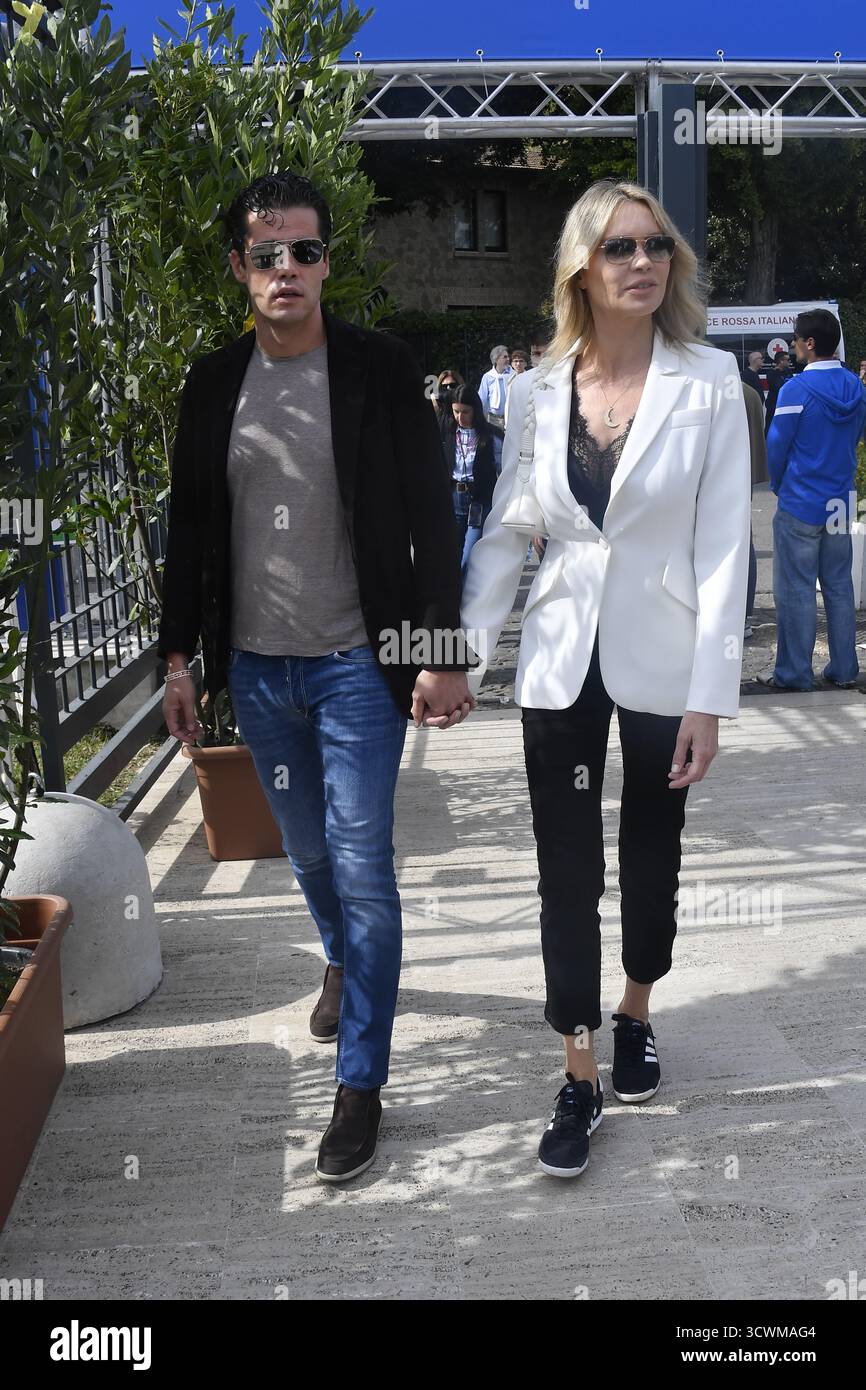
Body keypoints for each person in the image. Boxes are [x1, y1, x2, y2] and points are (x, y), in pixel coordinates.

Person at [157, 170, 474, 1185]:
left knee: (363, 859)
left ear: (327, 261)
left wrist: (436, 652)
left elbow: (433, 516)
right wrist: (178, 658)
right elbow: (191, 529)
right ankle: (337, 955)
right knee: (305, 854)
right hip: (256, 670)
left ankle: (359, 1081)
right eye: (264, 254)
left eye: (302, 251)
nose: (284, 269)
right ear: (238, 269)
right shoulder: (213, 384)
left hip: (355, 664)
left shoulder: (380, 369)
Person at [460, 178, 751, 1180]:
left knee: (650, 850)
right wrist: (458, 648)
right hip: (557, 655)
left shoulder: (709, 379)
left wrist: (710, 695)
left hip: (664, 655)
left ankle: (636, 1007)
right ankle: (576, 1063)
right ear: (581, 266)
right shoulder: (540, 387)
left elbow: (722, 548)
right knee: (564, 866)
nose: (640, 263)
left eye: (655, 246)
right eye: (618, 246)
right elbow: (508, 526)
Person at [759, 308, 866, 691]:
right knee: (839, 585)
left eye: (796, 339)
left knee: (796, 588)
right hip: (841, 500)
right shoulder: (857, 388)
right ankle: (844, 670)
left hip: (800, 501)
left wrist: (780, 485)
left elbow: (777, 446)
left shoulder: (795, 390)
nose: (792, 345)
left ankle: (793, 674)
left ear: (809, 344)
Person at [441, 385, 497, 582]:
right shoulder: (446, 432)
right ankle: (454, 602)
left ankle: (462, 602)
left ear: (475, 410)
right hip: (454, 495)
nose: (460, 417)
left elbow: (504, 467)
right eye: (456, 411)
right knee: (451, 554)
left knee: (469, 555)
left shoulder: (491, 435)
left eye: (465, 412)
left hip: (479, 499)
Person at [741, 381, 770, 636]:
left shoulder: (706, 386)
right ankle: (745, 617)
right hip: (743, 477)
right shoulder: (750, 393)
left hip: (708, 481)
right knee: (744, 544)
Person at [479, 344, 512, 474]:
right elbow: (482, 398)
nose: (508, 359)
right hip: (494, 419)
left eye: (508, 356)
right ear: (496, 359)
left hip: (510, 418)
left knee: (510, 448)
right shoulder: (488, 377)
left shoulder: (513, 375)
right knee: (497, 448)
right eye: (504, 357)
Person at [431, 367, 463, 433]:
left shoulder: (464, 405)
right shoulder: (436, 404)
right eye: (444, 386)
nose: (448, 388)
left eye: (452, 385)